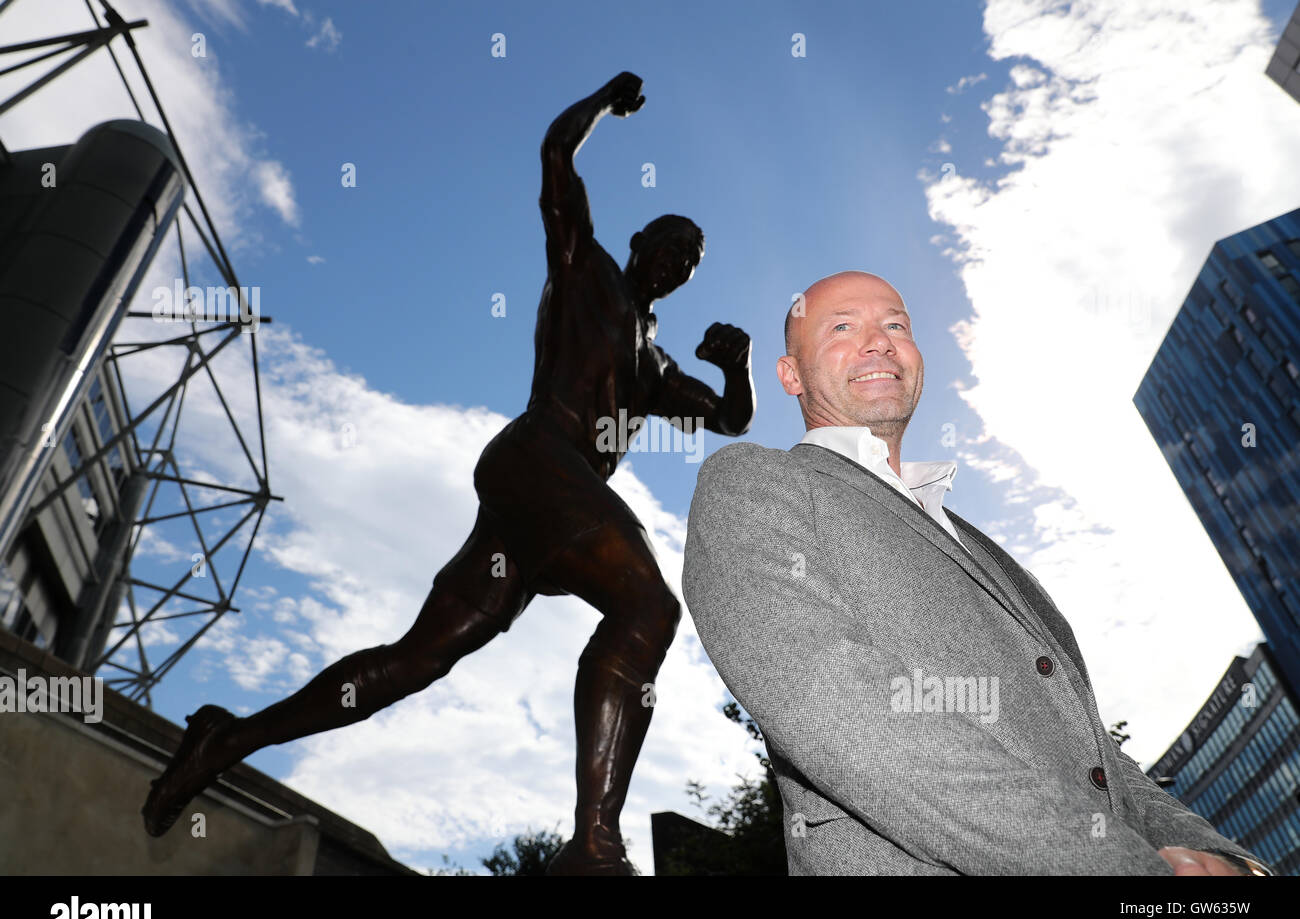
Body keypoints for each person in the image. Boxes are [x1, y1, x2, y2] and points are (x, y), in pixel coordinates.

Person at [142, 71, 755, 875]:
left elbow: (731, 418)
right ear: (641, 243)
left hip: (531, 516)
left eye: (693, 260)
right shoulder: (584, 268)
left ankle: (228, 739)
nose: (680, 261)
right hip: (536, 463)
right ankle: (594, 841)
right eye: (673, 243)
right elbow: (555, 152)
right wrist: (606, 98)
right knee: (647, 606)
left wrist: (738, 365)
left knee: (417, 660)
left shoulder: (655, 364)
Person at [681, 270, 1272, 875]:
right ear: (791, 375)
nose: (880, 341)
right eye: (842, 327)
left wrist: (1230, 862)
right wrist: (1126, 869)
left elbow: (1096, 755)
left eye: (895, 325)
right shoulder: (752, 483)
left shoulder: (978, 544)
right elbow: (838, 712)